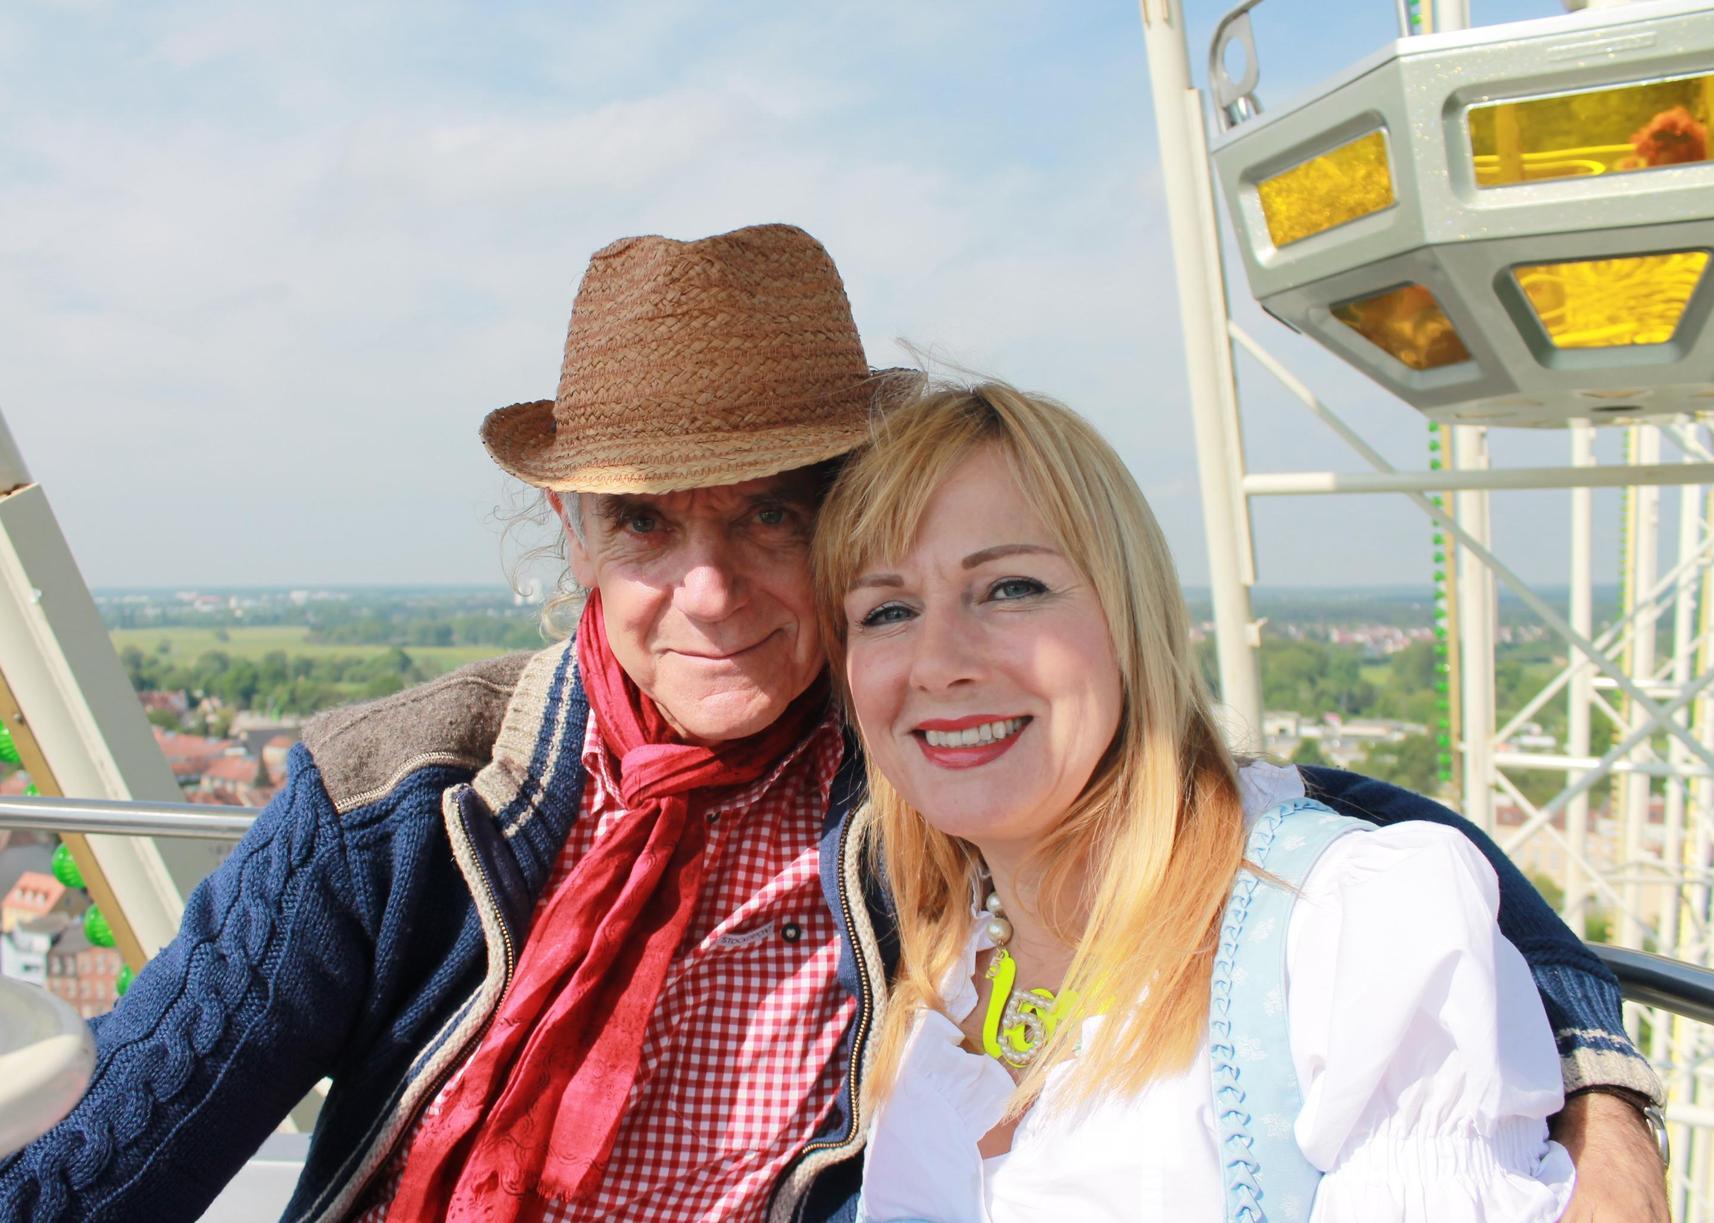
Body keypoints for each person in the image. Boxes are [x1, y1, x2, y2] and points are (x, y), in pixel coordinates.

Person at [0, 224, 1665, 1223]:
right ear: (575, 540)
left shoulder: (912, 764)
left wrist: (1599, 1084)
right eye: (646, 524)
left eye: (771, 518)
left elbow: (1336, 833)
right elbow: (126, 1146)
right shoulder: (403, 798)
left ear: (847, 520)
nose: (708, 591)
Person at [814, 378, 1577, 1220]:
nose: (938, 660)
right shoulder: (923, 939)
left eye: (1011, 588)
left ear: (1128, 614)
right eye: (887, 609)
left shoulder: (1343, 928)